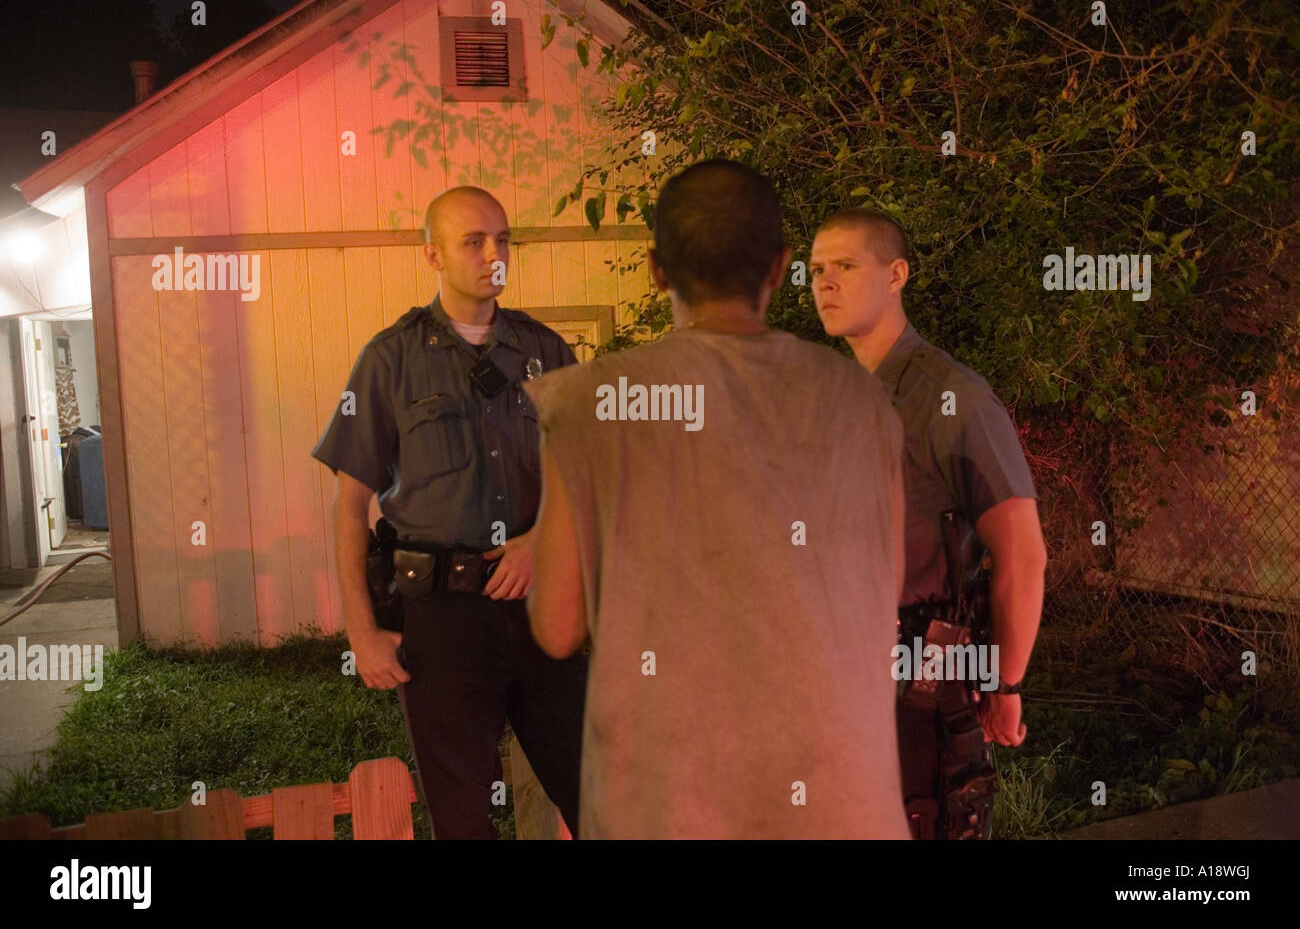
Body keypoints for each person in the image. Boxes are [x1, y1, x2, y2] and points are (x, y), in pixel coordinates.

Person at [524, 160, 911, 839]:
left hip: (669, 801)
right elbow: (887, 582)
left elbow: (557, 625)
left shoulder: (590, 402)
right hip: (843, 797)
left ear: (657, 270)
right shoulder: (864, 399)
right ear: (779, 267)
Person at [311, 186, 587, 839]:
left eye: (503, 239)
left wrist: (537, 543)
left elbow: (586, 473)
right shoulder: (390, 361)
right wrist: (361, 629)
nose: (494, 253)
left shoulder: (545, 352)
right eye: (474, 241)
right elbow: (350, 507)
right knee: (463, 816)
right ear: (433, 254)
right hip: (442, 620)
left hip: (542, 606)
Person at [810, 208, 1048, 839]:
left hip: (924, 682)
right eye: (816, 270)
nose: (824, 282)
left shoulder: (952, 398)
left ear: (896, 275)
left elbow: (1022, 555)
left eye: (845, 266)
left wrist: (1006, 682)